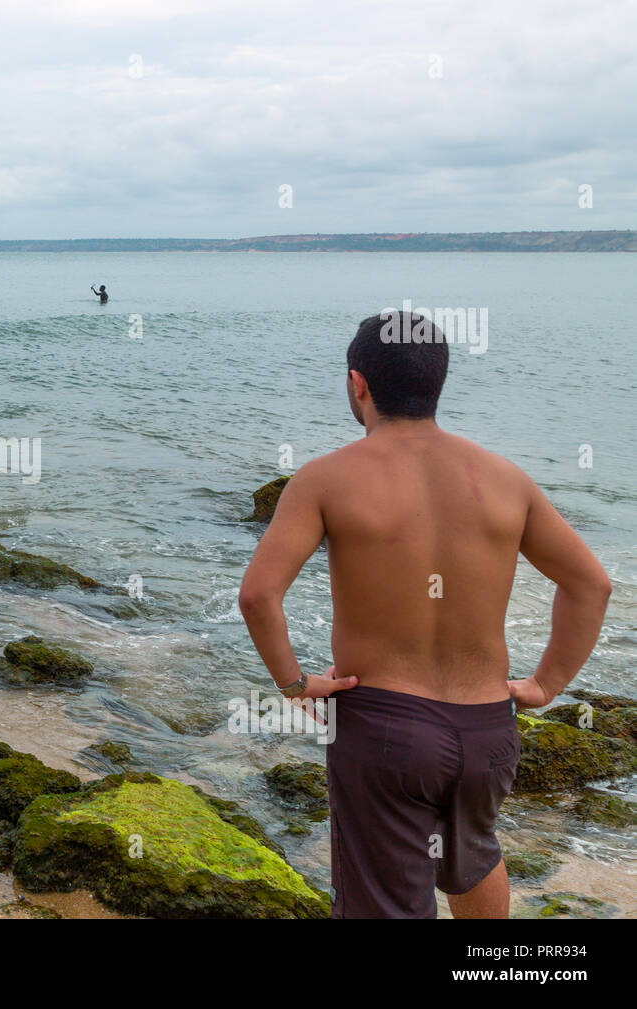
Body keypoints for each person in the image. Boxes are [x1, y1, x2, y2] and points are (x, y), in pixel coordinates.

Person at [238, 311, 611, 920]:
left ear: (358, 384)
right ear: (437, 383)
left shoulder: (326, 478)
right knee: (473, 859)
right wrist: (545, 685)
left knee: (384, 903)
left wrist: (294, 683)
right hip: (488, 729)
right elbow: (591, 583)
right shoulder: (504, 478)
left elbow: (258, 596)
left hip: (386, 728)